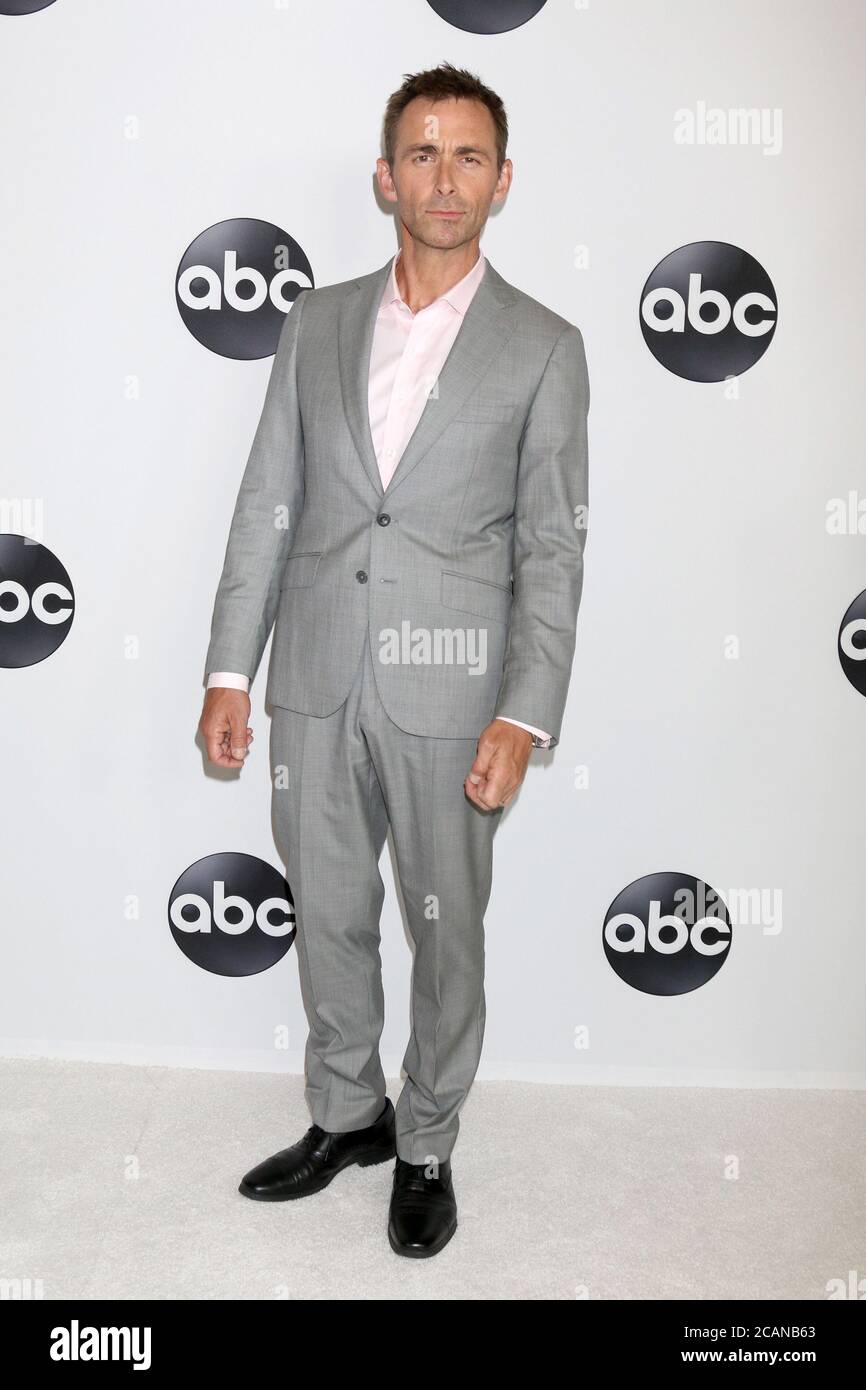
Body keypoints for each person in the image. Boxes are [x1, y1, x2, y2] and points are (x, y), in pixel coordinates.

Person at [199, 62, 589, 1259]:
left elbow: (551, 546)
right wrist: (227, 670)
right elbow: (269, 496)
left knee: (445, 926)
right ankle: (346, 1110)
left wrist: (523, 712)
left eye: (467, 155)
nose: (442, 176)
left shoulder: (544, 347)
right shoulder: (314, 322)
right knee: (328, 911)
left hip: (454, 693)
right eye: (420, 154)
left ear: (502, 180)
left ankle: (425, 1141)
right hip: (313, 675)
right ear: (385, 176)